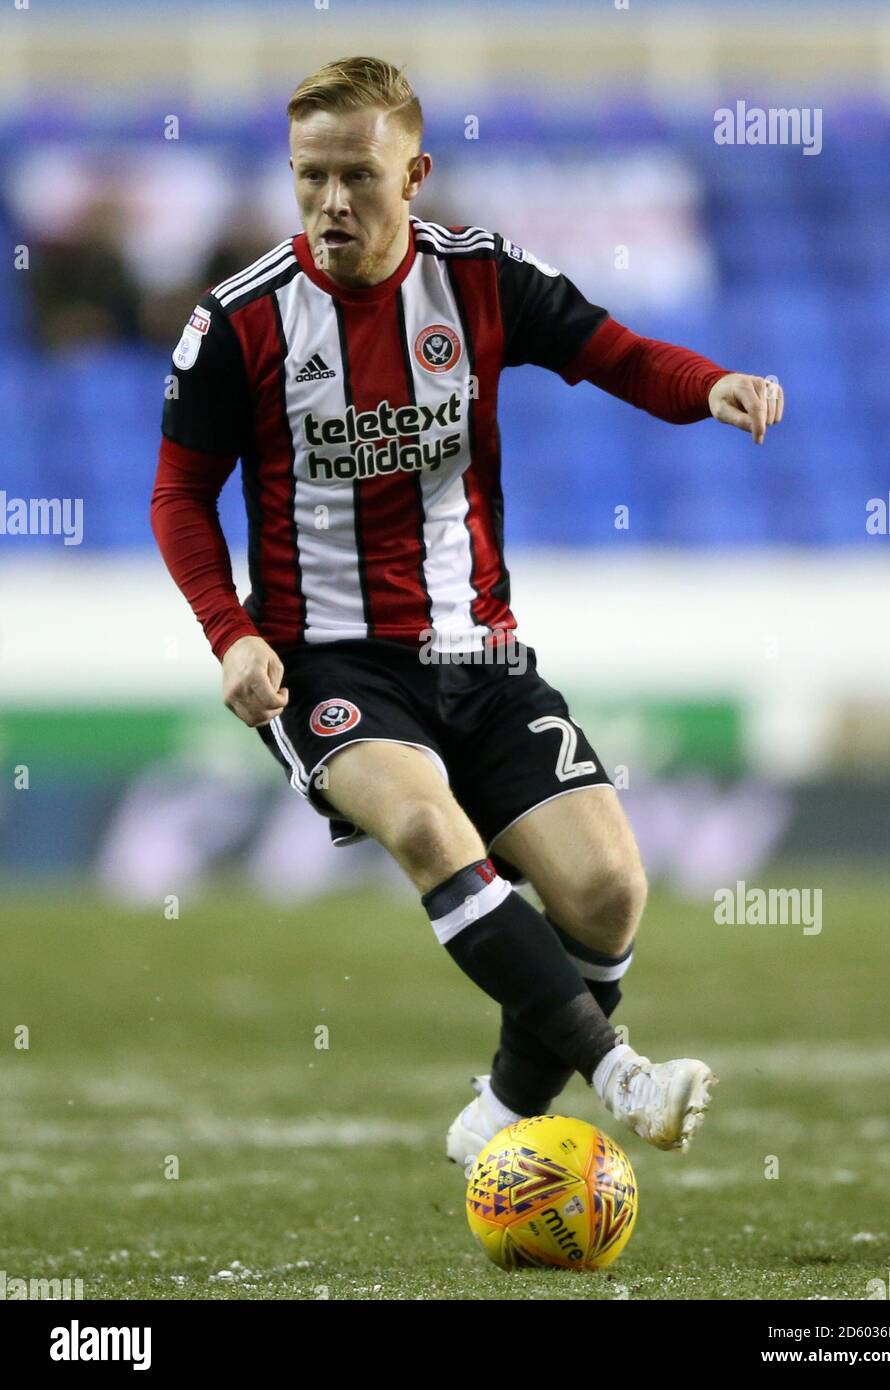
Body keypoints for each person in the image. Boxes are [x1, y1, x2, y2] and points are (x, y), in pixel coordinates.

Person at [151, 55, 784, 1169]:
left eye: (357, 175)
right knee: (428, 825)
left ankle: (500, 1109)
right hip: (325, 662)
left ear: (416, 173)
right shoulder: (240, 321)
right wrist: (230, 631)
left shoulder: (479, 280)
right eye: (309, 178)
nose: (332, 202)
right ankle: (620, 1073)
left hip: (480, 650)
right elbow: (178, 497)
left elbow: (617, 354)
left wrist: (709, 386)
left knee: (606, 892)